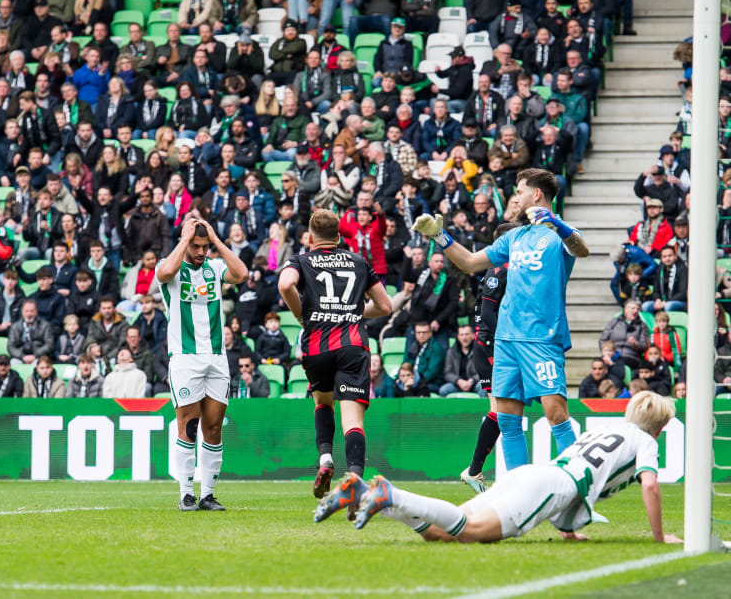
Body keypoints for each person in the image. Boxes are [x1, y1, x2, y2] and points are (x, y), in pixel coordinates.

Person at [318, 392, 681, 546]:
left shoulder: (607, 428)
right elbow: (649, 485)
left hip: (534, 476)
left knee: (441, 533)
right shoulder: (645, 441)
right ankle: (388, 493)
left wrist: (570, 533)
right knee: (470, 532)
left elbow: (581, 477)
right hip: (551, 485)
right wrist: (660, 536)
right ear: (660, 428)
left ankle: (367, 494)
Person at [413, 168, 588, 474]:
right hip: (506, 340)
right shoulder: (514, 237)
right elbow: (469, 262)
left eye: (519, 191)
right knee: (508, 420)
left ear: (537, 194)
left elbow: (581, 249)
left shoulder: (559, 234)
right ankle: (519, 497)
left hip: (542, 339)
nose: (514, 197)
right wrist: (439, 236)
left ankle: (578, 489)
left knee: (557, 414)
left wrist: (558, 225)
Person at [277, 209, 393, 501]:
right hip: (352, 344)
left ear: (311, 237)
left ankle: (326, 457)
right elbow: (385, 307)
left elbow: (284, 284)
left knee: (323, 402)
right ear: (339, 236)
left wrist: (302, 314)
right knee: (352, 420)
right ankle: (354, 476)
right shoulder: (358, 261)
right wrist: (352, 312)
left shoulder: (301, 260)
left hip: (317, 345)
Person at [156, 217, 249, 512]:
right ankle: (186, 493)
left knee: (213, 427)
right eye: (195, 246)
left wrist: (217, 242)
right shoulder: (170, 267)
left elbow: (242, 273)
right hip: (185, 358)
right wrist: (185, 239)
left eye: (203, 246)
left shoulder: (215, 267)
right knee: (189, 425)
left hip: (217, 358)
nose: (200, 252)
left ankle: (207, 494)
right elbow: (165, 272)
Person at [459, 221, 519, 493]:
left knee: (508, 410)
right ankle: (475, 471)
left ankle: (485, 472)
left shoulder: (511, 269)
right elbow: (489, 313)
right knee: (500, 410)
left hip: (500, 346)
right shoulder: (499, 269)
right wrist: (500, 344)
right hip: (492, 347)